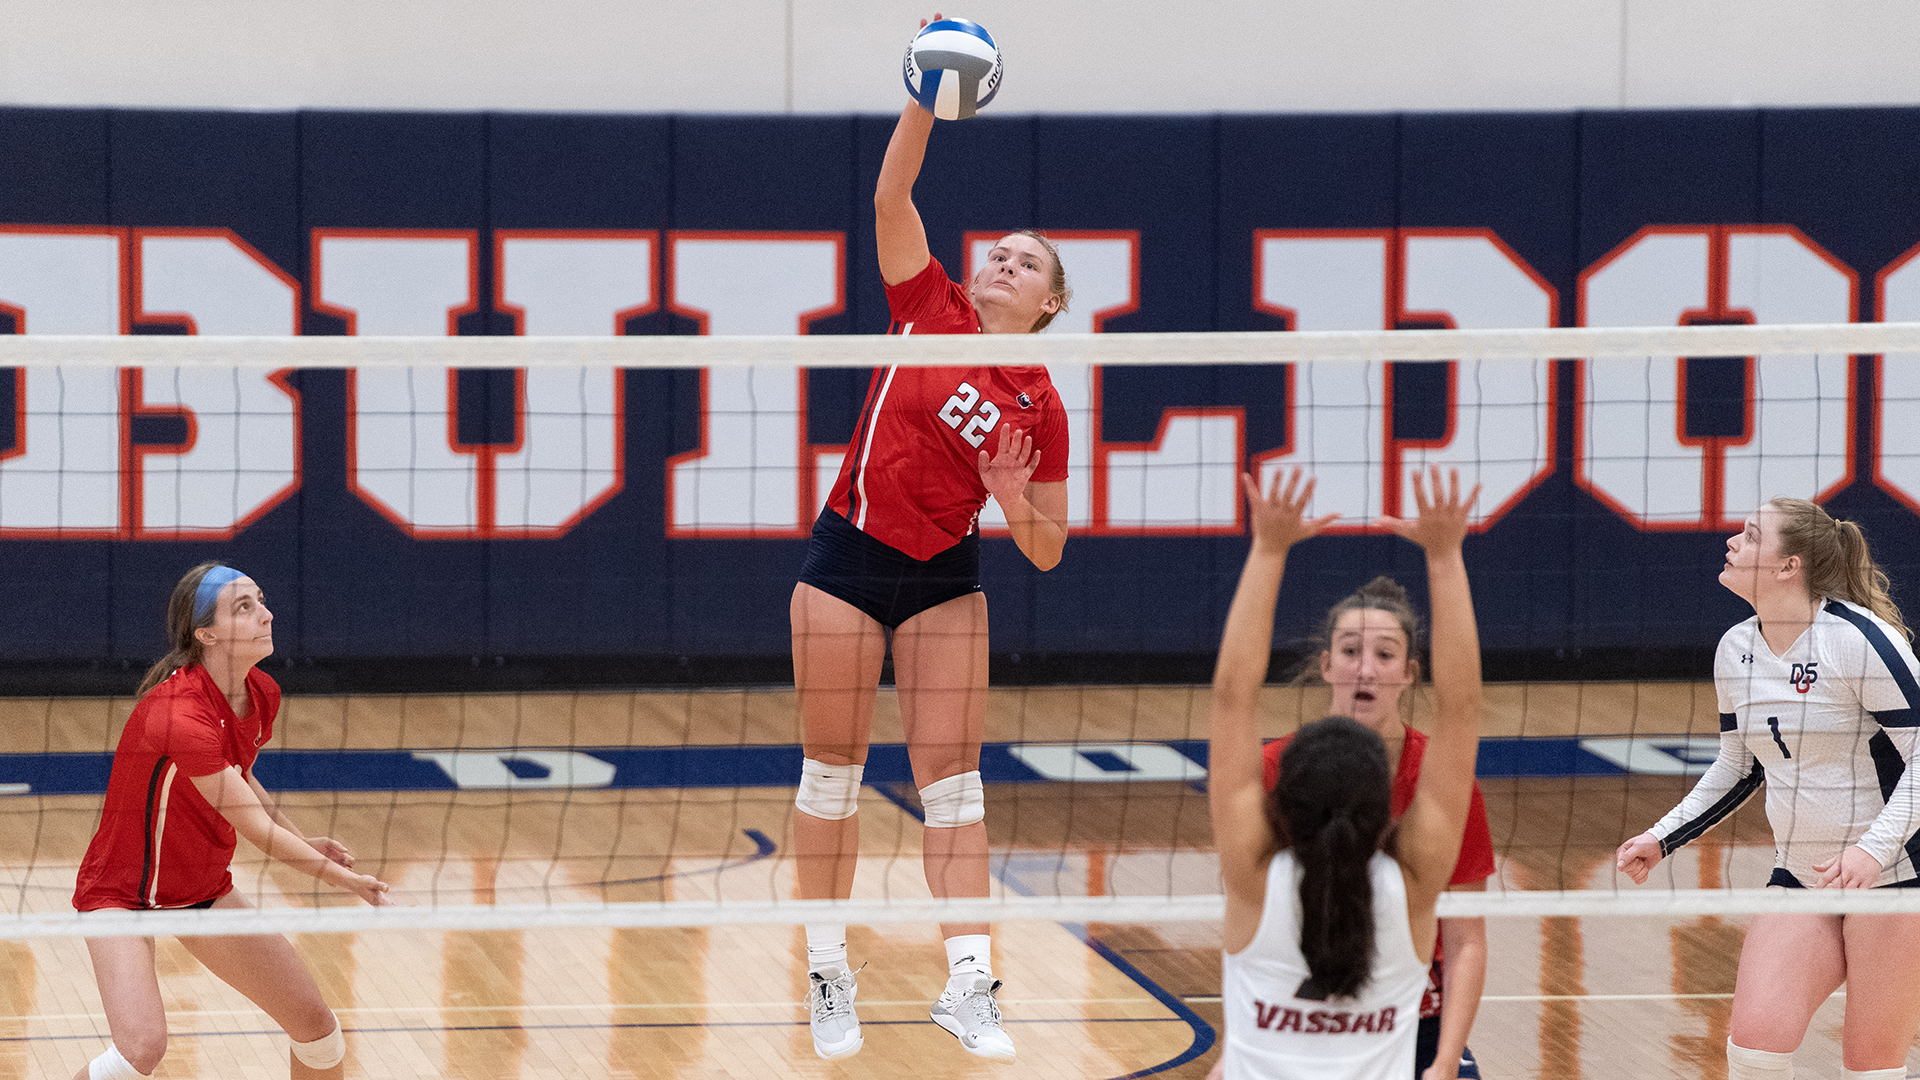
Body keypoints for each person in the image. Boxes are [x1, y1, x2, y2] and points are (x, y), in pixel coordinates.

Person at [789, 44, 1073, 1062]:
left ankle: (969, 986)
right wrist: (923, 98)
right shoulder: (931, 308)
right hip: (848, 561)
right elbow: (891, 193)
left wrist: (1008, 498)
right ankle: (828, 973)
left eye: (1025, 261)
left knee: (955, 790)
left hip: (949, 579)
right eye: (996, 250)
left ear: (1048, 303)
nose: (1001, 261)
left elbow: (1047, 550)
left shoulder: (1041, 405)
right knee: (831, 777)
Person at [1616, 498, 1920, 1080]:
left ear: (1789, 566)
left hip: (1895, 876)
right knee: (1754, 1050)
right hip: (1800, 872)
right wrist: (1661, 838)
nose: (1732, 541)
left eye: (1751, 535)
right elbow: (1739, 765)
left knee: (1871, 1069)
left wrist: (1872, 851)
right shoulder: (1736, 649)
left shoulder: (1859, 640)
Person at [1210, 466, 1483, 1080]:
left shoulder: (1251, 882)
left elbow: (1231, 697)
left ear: (1282, 802)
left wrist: (1268, 549)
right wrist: (1444, 558)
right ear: (1384, 805)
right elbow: (1462, 707)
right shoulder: (1412, 888)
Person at [70, 563, 390, 1080]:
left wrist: (301, 837)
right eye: (244, 607)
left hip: (198, 888)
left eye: (261, 600)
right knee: (140, 1050)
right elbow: (255, 830)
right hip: (122, 893)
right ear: (206, 633)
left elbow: (242, 783)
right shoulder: (178, 713)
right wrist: (343, 879)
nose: (265, 614)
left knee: (319, 1032)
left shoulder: (261, 694)